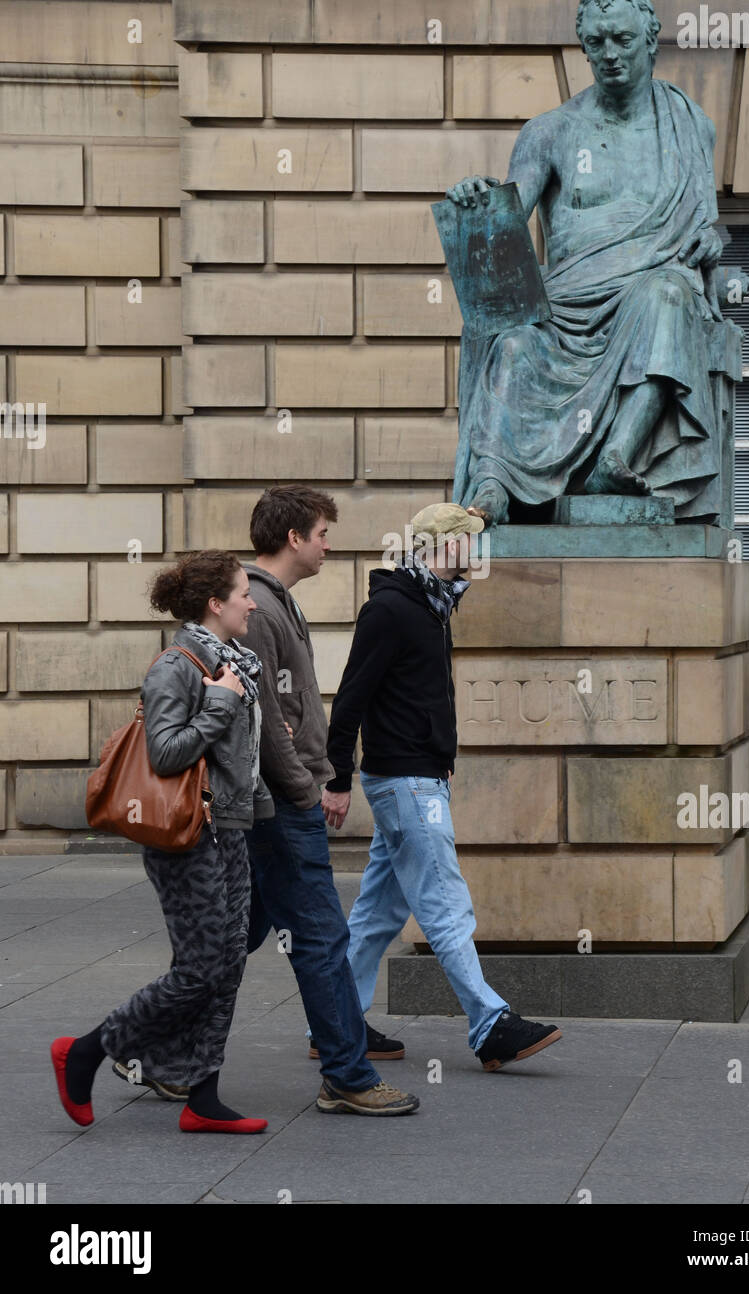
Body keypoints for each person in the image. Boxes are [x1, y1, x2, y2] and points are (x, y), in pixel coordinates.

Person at [446, 0, 727, 527]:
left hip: (647, 300)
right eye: (596, 43)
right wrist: (476, 202)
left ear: (652, 40)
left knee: (668, 294)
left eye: (622, 40)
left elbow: (702, 233)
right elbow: (505, 225)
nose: (610, 55)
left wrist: (711, 244)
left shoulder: (690, 126)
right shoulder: (549, 132)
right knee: (514, 346)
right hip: (563, 309)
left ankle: (616, 457)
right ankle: (493, 486)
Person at [322, 502, 563, 1071]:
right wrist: (335, 778)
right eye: (470, 543)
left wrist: (440, 753)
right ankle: (490, 1024)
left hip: (418, 774)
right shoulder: (390, 610)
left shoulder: (432, 604)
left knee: (378, 913)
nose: (478, 555)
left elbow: (420, 695)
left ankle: (334, 1023)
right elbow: (350, 698)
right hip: (404, 782)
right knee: (447, 904)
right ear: (447, 547)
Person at [50, 551, 272, 1134]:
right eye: (243, 592)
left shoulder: (233, 664)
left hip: (229, 830)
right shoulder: (176, 667)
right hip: (185, 838)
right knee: (198, 971)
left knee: (226, 968)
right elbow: (168, 752)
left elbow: (237, 763)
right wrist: (222, 703)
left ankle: (203, 1095)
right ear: (215, 604)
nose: (252, 602)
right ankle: (89, 1051)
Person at [243, 484, 419, 1117]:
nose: (327, 544)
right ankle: (346, 1072)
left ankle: (162, 1054)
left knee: (236, 937)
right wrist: (305, 787)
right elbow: (263, 719)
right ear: (293, 538)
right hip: (281, 805)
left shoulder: (272, 601)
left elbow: (281, 709)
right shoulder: (259, 608)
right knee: (320, 937)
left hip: (279, 799)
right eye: (321, 533)